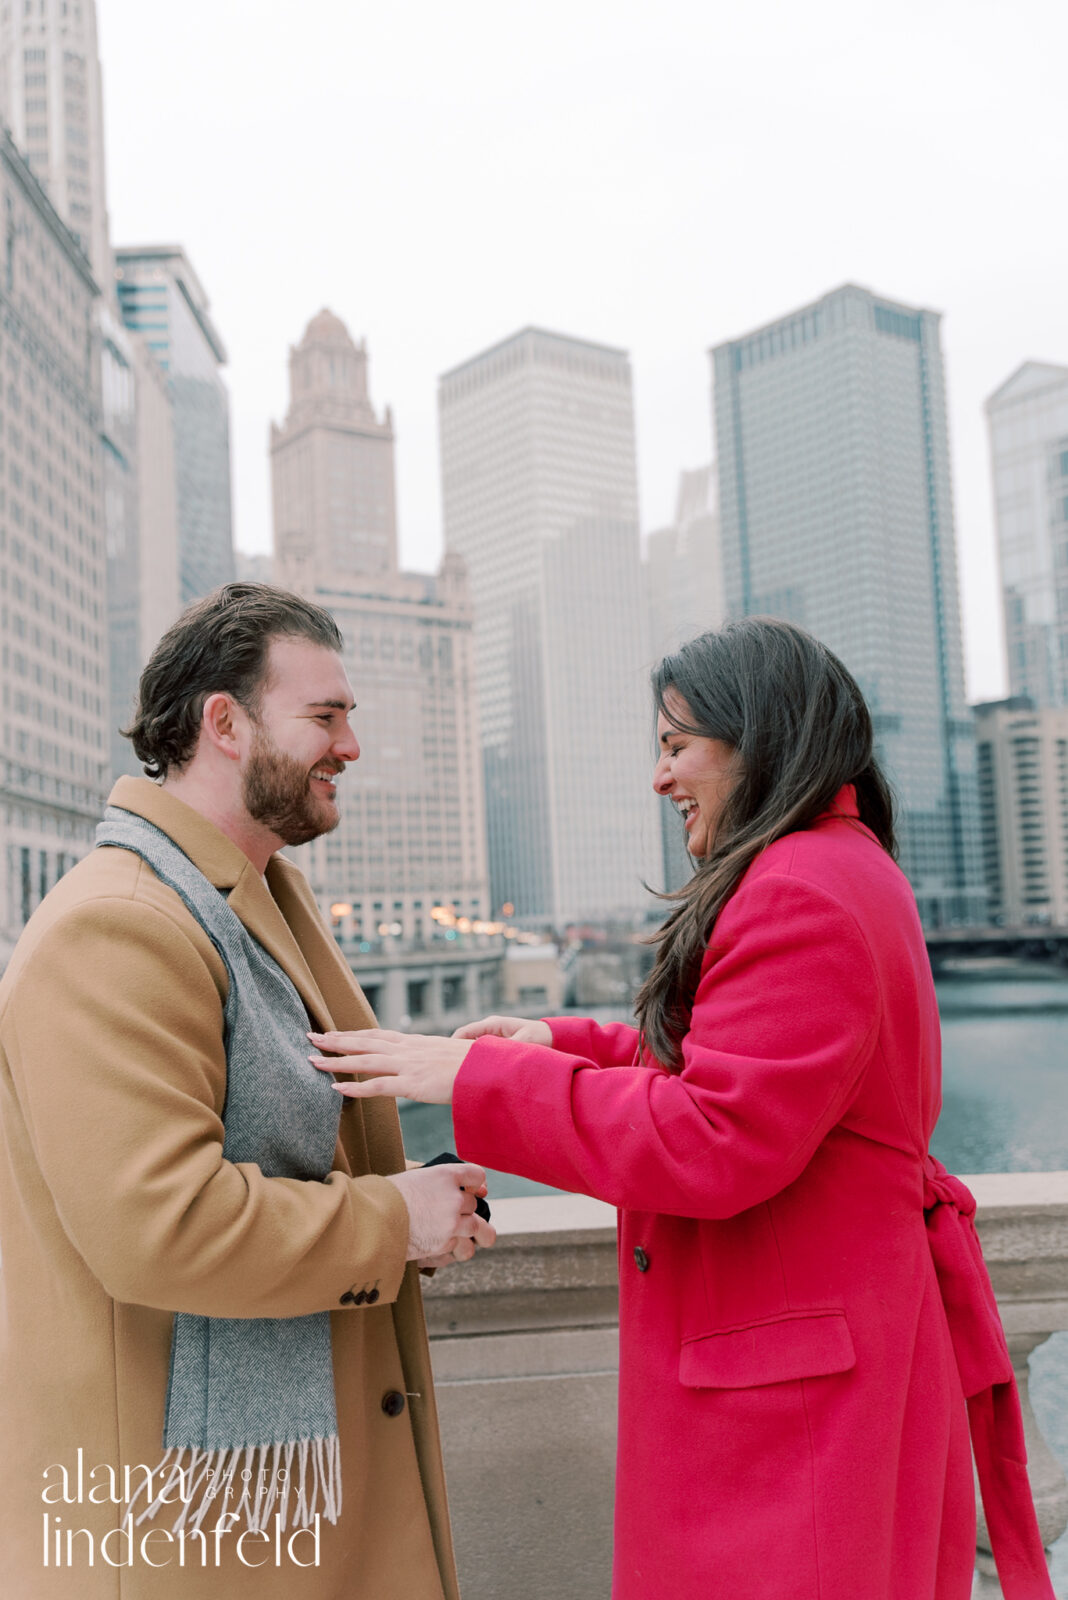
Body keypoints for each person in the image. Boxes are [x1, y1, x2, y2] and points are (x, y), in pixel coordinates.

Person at [308, 617, 1054, 1600]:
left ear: (762, 739)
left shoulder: (800, 888)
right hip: (822, 1358)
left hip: (794, 1401)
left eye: (676, 745)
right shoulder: (834, 866)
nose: (660, 778)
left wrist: (471, 1081)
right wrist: (559, 1045)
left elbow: (712, 1139)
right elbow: (754, 1074)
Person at [0, 582, 494, 1599]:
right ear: (222, 723)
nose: (351, 745)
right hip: (186, 1530)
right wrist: (391, 1220)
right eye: (327, 715)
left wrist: (420, 1199)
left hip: (280, 1511)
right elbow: (160, 1225)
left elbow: (317, 1144)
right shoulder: (120, 924)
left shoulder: (257, 893)